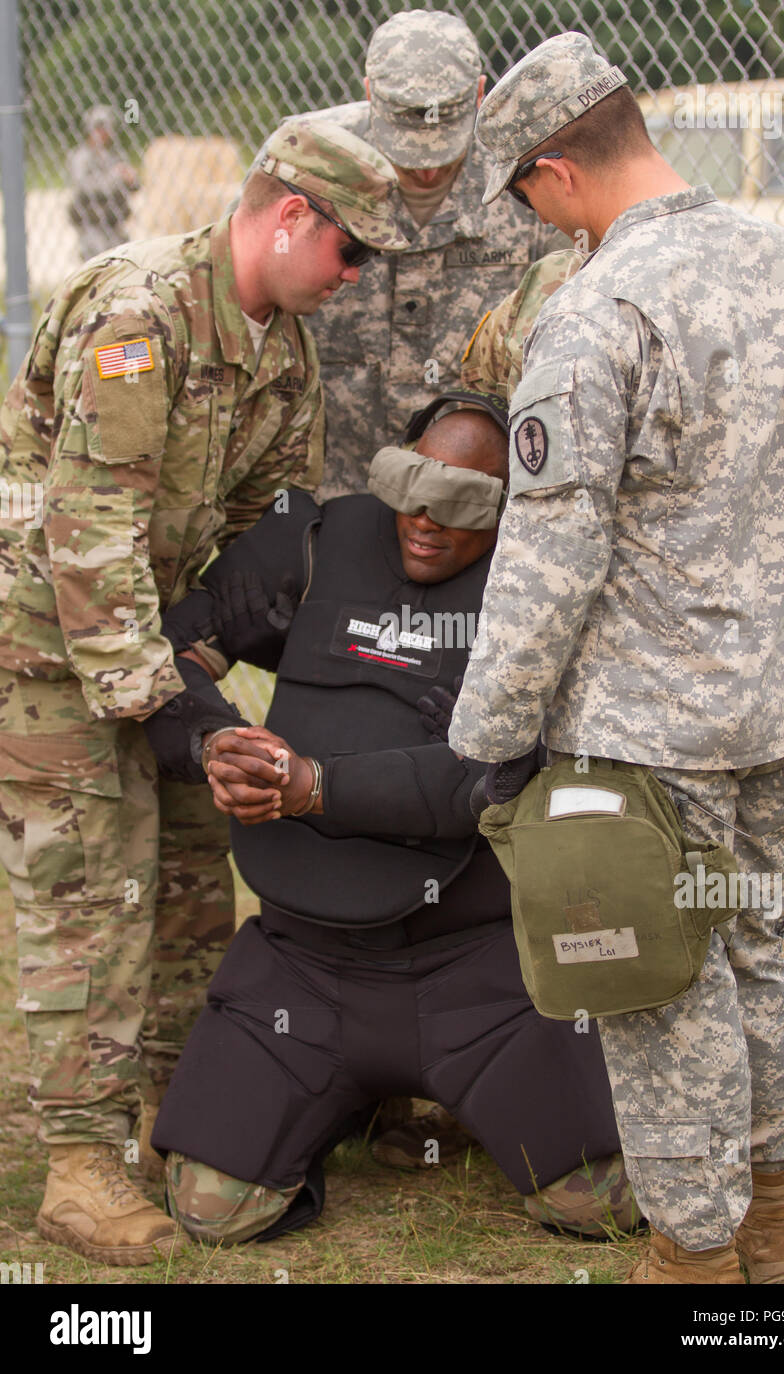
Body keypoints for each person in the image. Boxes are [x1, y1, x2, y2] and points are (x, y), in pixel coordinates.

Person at [447, 32, 784, 1284]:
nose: (528, 224)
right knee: (748, 948)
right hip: (782, 709)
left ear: (556, 169)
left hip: (643, 735)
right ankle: (778, 1220)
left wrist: (488, 737)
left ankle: (690, 1259)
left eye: (521, 194)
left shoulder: (595, 312)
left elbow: (546, 558)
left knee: (650, 990)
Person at [0, 118, 407, 1266]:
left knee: (186, 879)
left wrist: (224, 674)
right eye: (350, 252)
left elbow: (267, 535)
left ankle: (179, 1117)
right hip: (52, 649)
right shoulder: (141, 318)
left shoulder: (283, 348)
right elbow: (89, 536)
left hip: (158, 647)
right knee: (92, 898)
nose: (356, 278)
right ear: (288, 218)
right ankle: (79, 1165)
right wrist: (179, 709)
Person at [148, 392, 641, 1244]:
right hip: (302, 966)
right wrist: (213, 740)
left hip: (477, 975)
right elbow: (171, 652)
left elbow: (488, 780)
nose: (425, 523)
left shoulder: (536, 588)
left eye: (460, 507)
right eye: (412, 491)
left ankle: (466, 1101)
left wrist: (312, 788)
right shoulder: (316, 539)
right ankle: (350, 1098)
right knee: (211, 1210)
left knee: (596, 1206)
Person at [274, 8, 566, 499]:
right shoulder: (307, 158)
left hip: (470, 505)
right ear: (369, 92)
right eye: (408, 148)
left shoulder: (527, 176)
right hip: (329, 492)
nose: (427, 171)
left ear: (479, 93)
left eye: (443, 146)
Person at [67, 105, 140, 261]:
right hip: (92, 222)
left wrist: (131, 178)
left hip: (114, 222)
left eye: (106, 128)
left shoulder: (113, 156)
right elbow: (85, 187)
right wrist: (116, 176)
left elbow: (135, 186)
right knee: (98, 261)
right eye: (98, 128)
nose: (103, 133)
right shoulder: (81, 157)